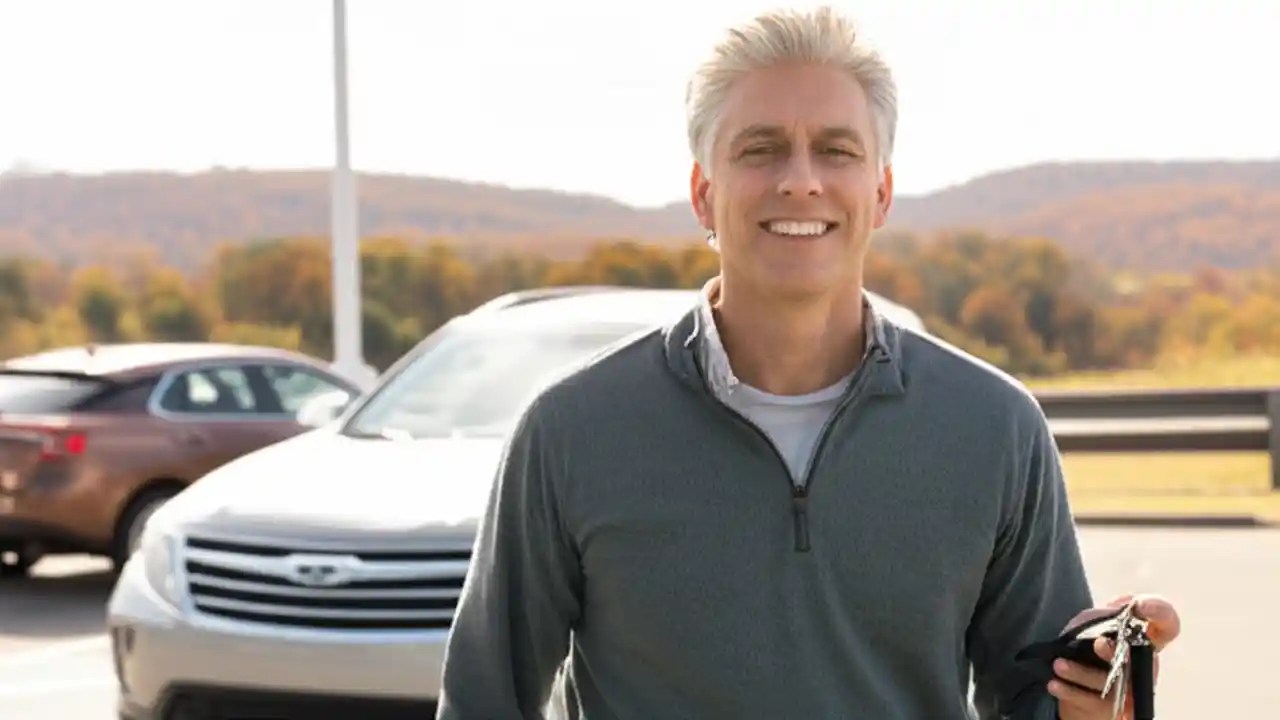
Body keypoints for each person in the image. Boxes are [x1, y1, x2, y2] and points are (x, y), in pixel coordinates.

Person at [436, 6, 1181, 719]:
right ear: (704, 193)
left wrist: (1095, 707)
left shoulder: (996, 428)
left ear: (880, 192)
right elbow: (482, 703)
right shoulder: (569, 432)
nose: (800, 179)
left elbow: (1036, 700)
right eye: (760, 149)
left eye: (837, 149)